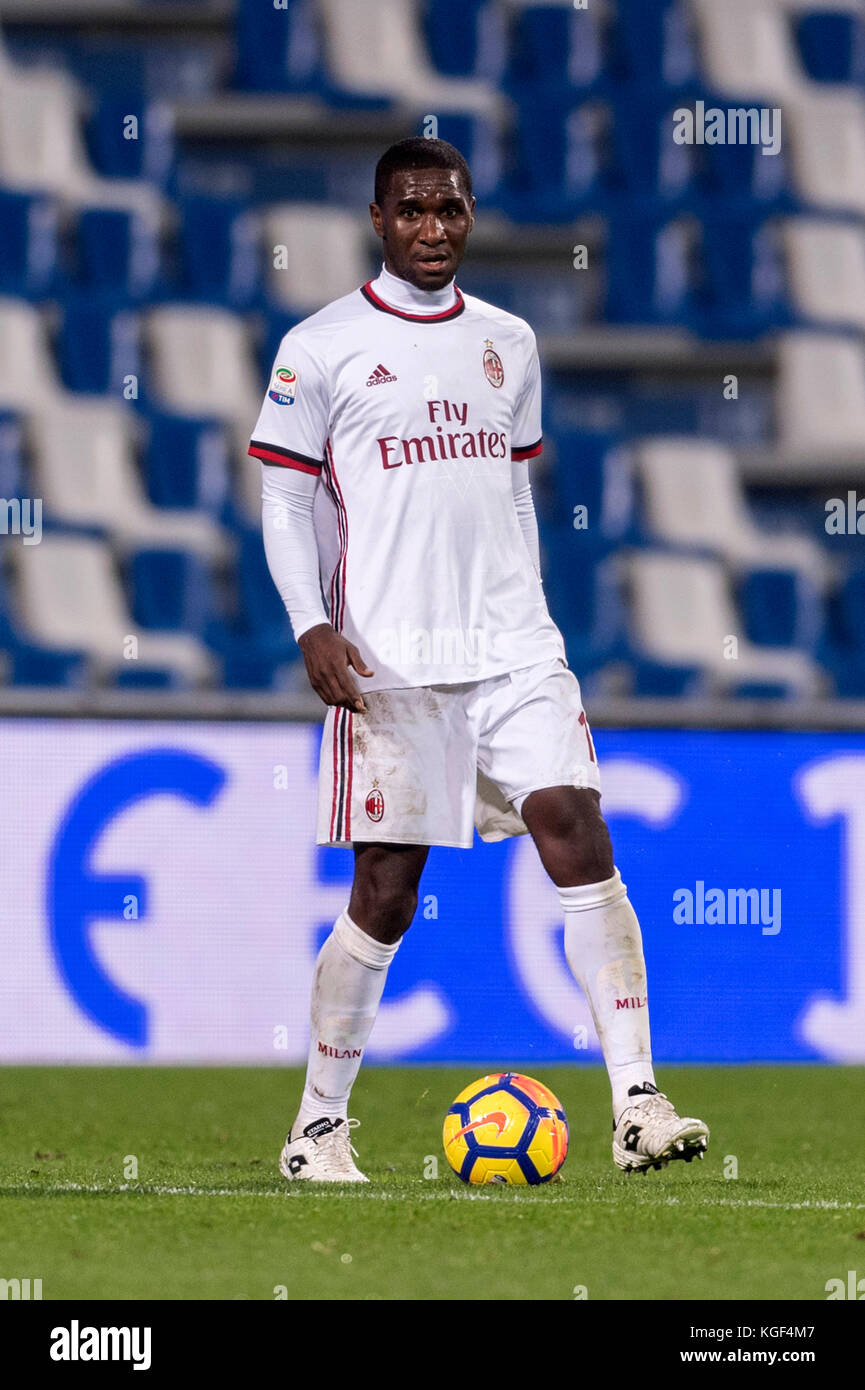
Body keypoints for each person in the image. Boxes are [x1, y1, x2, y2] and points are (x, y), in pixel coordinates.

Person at [249, 137, 709, 1182]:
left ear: (469, 215)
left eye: (449, 210)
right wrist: (308, 625)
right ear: (377, 218)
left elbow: (508, 486)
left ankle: (636, 1099)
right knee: (386, 889)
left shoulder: (508, 341)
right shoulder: (318, 346)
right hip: (388, 654)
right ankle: (316, 1128)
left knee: (576, 826)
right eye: (411, 211)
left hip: (511, 646)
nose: (432, 229)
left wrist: (531, 610)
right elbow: (283, 498)